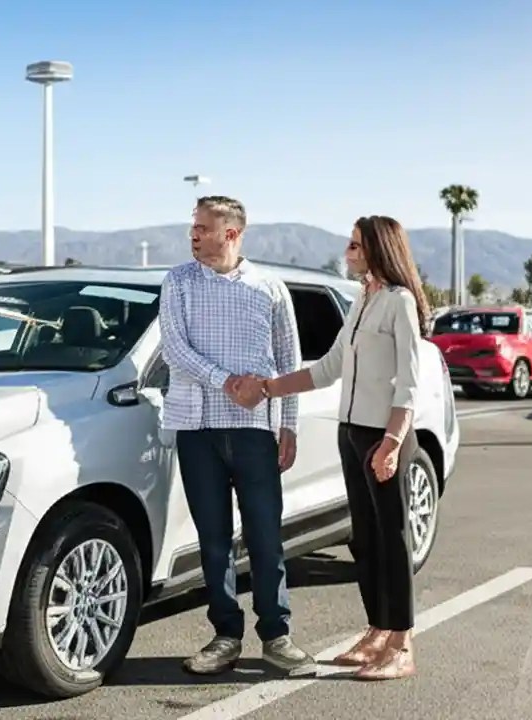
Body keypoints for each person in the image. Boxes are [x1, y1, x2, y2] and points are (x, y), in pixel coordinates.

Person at [233, 215, 430, 681]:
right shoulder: (364, 299)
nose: (348, 252)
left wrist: (392, 440)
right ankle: (377, 629)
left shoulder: (399, 303)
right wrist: (268, 387)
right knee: (365, 538)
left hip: (386, 437)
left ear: (380, 250)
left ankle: (402, 642)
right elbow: (328, 369)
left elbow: (409, 382)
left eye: (356, 246)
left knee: (393, 539)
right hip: (352, 433)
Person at [158, 195, 315, 677]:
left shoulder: (269, 287)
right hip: (197, 427)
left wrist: (288, 423)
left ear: (231, 233)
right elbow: (173, 349)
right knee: (213, 540)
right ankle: (225, 635)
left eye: (203, 227)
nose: (194, 235)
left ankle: (277, 636)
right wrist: (226, 381)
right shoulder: (178, 282)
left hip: (255, 431)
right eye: (193, 226)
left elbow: (290, 360)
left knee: (266, 535)